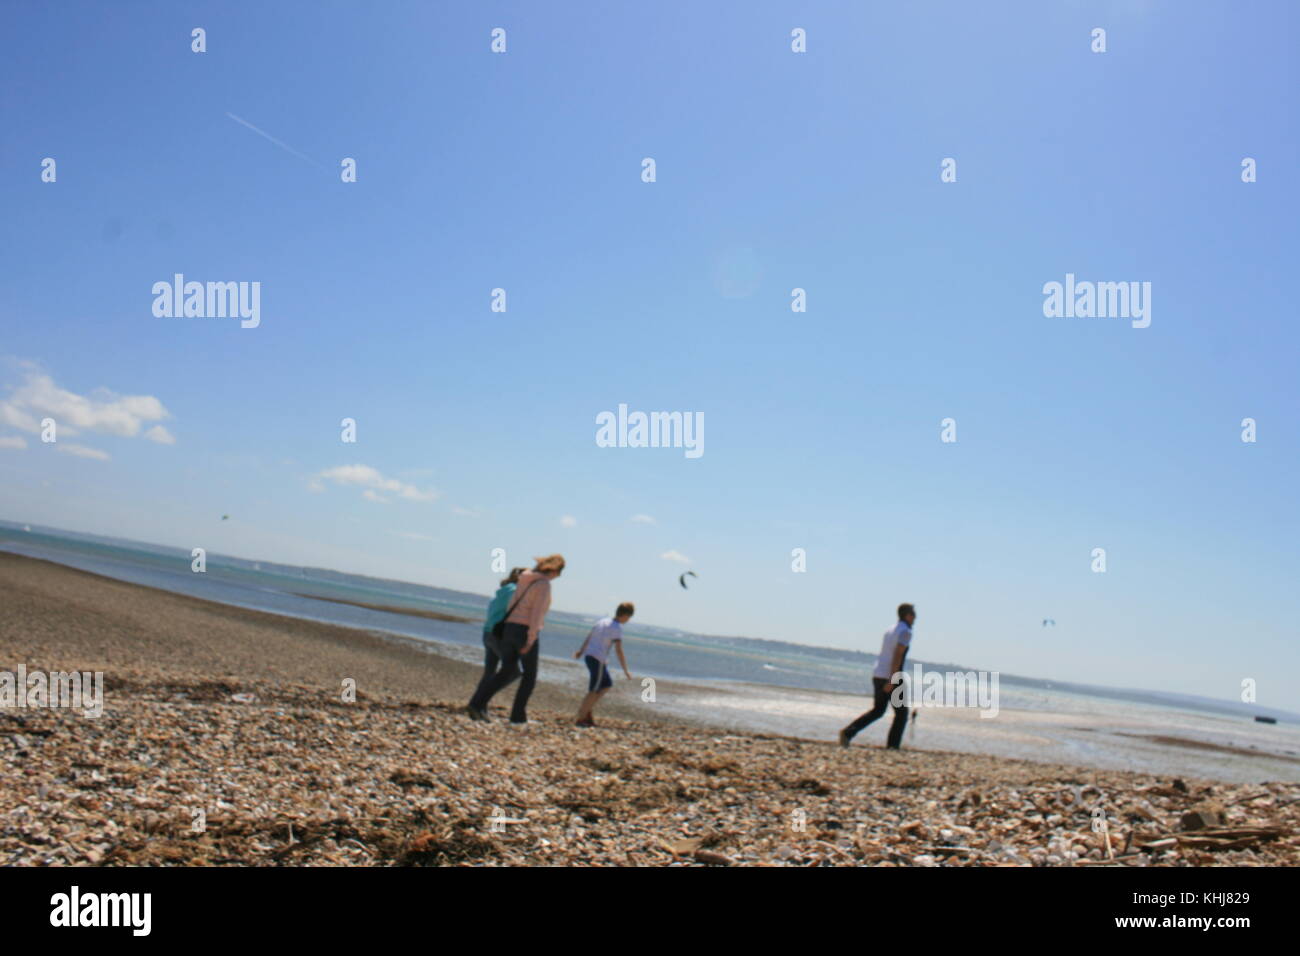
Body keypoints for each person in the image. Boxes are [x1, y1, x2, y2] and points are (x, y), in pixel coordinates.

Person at [467, 553, 565, 725]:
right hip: (524, 630)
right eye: (560, 572)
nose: (559, 576)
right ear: (554, 569)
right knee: (529, 676)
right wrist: (530, 639)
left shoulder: (524, 579)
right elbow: (537, 614)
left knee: (507, 670)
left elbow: (512, 604)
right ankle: (518, 717)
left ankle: (476, 703)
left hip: (509, 628)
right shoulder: (543, 584)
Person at [839, 603, 916, 750]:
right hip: (891, 675)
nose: (915, 619)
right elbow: (897, 656)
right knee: (901, 714)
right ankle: (892, 747)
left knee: (878, 710)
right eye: (913, 615)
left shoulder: (890, 630)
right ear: (907, 615)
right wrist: (892, 679)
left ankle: (848, 733)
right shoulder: (906, 632)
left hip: (878, 673)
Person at [467, 567, 525, 718]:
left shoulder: (502, 591)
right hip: (500, 636)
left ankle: (478, 706)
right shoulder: (515, 592)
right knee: (513, 671)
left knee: (490, 673)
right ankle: (478, 702)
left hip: (488, 633)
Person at [573, 602, 634, 727]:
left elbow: (590, 636)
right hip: (598, 658)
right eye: (629, 617)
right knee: (594, 689)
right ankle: (581, 716)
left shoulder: (602, 621)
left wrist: (581, 650)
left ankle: (587, 710)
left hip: (590, 656)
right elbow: (618, 650)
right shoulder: (617, 627)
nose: (628, 620)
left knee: (606, 684)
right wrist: (625, 670)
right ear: (625, 615)